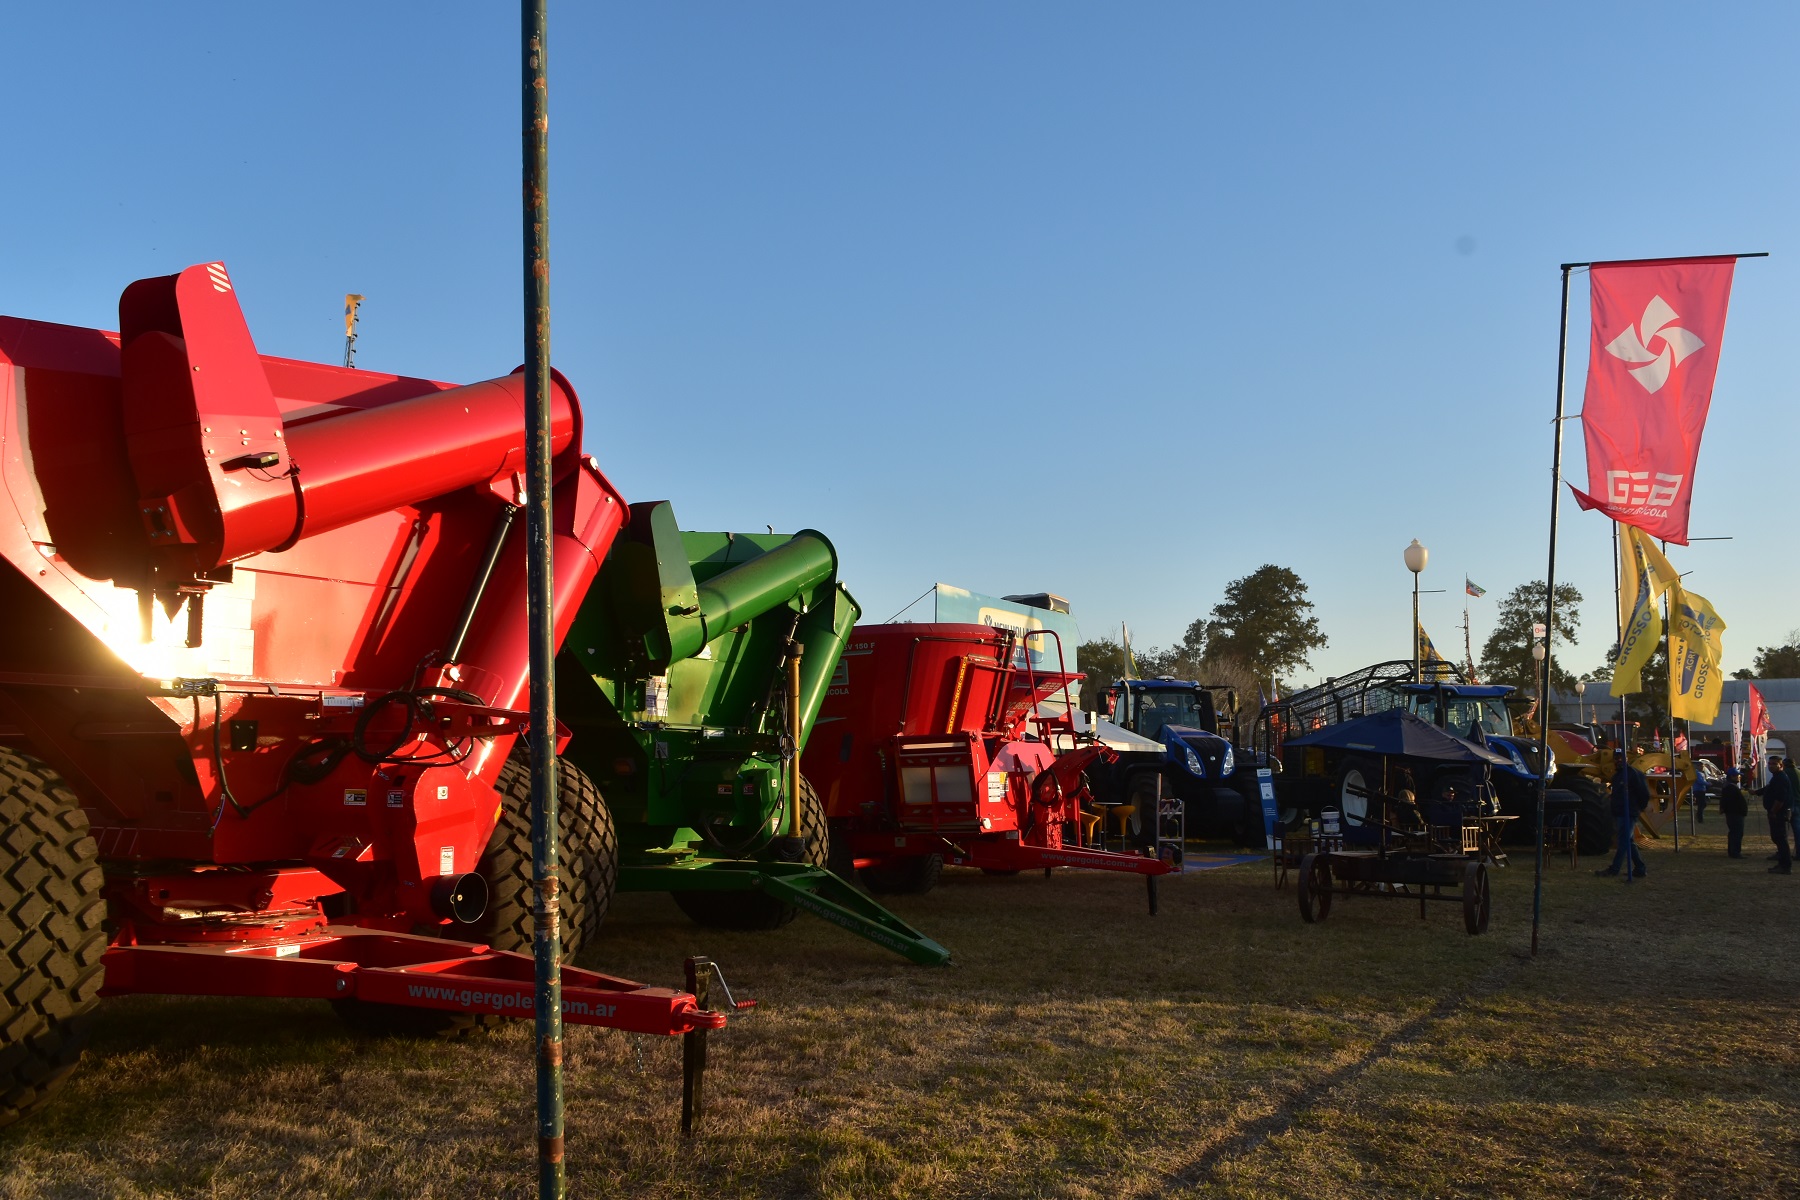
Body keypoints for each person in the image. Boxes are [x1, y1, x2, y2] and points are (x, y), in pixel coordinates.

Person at [1597, 751, 1650, 879]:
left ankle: (1614, 869)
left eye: (1621, 758)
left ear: (1626, 759)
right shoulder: (1617, 776)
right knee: (1629, 841)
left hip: (1629, 812)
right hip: (1619, 812)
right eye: (1616, 758)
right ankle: (1640, 868)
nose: (1618, 760)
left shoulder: (1633, 774)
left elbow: (1644, 793)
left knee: (1623, 841)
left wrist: (1638, 808)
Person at [1757, 755, 1792, 874]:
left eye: (1774, 764)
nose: (1771, 766)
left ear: (1780, 765)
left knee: (1781, 839)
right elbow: (1768, 789)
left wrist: (1773, 811)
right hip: (1776, 812)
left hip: (1779, 813)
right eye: (1770, 763)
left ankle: (1785, 865)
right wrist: (1757, 792)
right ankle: (1782, 863)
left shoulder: (1780, 778)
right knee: (1777, 838)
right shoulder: (1776, 777)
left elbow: (1780, 799)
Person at [1718, 767, 1748, 859]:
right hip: (1735, 814)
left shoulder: (1729, 786)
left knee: (1734, 833)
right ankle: (1735, 852)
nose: (1740, 777)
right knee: (1737, 833)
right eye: (1738, 775)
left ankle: (1733, 851)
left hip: (1733, 813)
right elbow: (1730, 801)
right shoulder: (1731, 787)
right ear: (1733, 776)